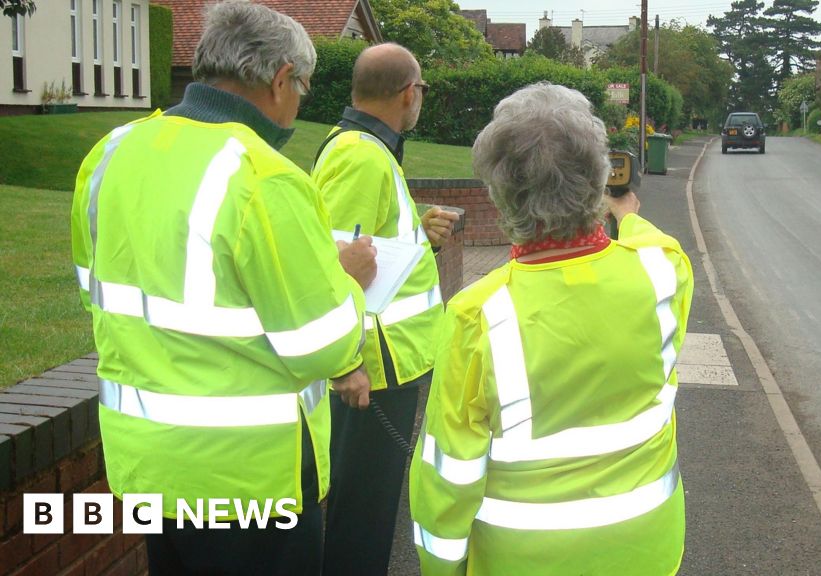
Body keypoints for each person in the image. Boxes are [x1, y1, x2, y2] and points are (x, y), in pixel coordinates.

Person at [69, 2, 376, 574]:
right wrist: (346, 278)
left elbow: (97, 290)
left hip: (147, 467)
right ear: (282, 79)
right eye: (302, 88)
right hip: (250, 481)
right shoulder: (266, 176)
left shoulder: (111, 152)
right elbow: (324, 345)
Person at [408, 83, 694, 576]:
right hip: (647, 546)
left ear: (500, 193)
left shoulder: (476, 314)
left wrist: (443, 568)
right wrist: (624, 213)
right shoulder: (663, 270)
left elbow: (449, 477)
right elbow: (651, 240)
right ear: (600, 179)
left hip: (523, 559)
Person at [310, 42, 459, 576]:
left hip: (381, 365)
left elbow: (362, 251)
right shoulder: (361, 155)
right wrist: (346, 362)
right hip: (372, 372)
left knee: (368, 511)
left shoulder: (365, 148)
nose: (421, 98)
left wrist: (421, 236)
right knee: (362, 516)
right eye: (422, 89)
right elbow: (332, 268)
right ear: (407, 93)